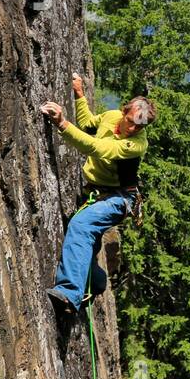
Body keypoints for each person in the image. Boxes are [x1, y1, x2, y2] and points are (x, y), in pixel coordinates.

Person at [39, 73, 154, 316]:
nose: (133, 129)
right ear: (124, 112)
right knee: (86, 244)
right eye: (131, 122)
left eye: (140, 126)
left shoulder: (135, 145)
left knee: (81, 226)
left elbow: (96, 147)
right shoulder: (111, 116)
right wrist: (79, 95)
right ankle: (97, 282)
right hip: (98, 192)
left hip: (120, 199)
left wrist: (61, 124)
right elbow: (90, 124)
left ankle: (70, 295)